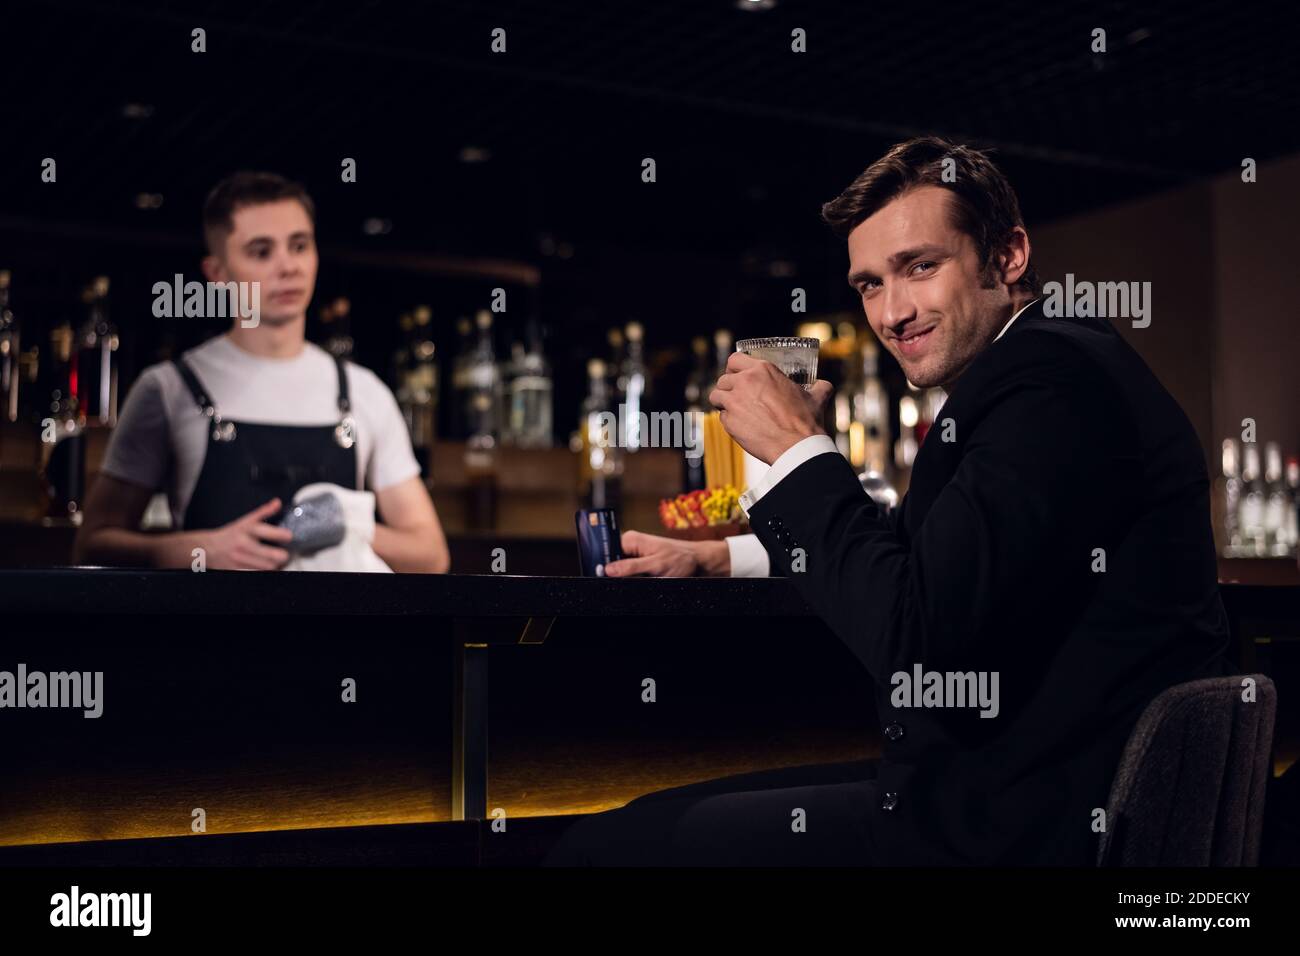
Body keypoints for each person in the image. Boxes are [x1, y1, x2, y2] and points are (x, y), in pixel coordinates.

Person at [546, 136, 1230, 865]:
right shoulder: (1046, 368)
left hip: (1024, 830)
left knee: (606, 848)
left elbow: (918, 642)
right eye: (870, 284)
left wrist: (797, 449)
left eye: (920, 267)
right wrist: (723, 557)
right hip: (1006, 796)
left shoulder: (1049, 383)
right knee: (650, 816)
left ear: (1008, 256)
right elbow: (922, 546)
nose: (893, 312)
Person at [74, 172, 449, 573]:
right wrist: (193, 552)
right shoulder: (167, 389)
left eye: (299, 246)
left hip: (340, 635)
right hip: (212, 633)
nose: (288, 267)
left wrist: (347, 522)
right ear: (217, 272)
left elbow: (430, 555)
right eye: (261, 251)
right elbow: (92, 546)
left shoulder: (364, 391)